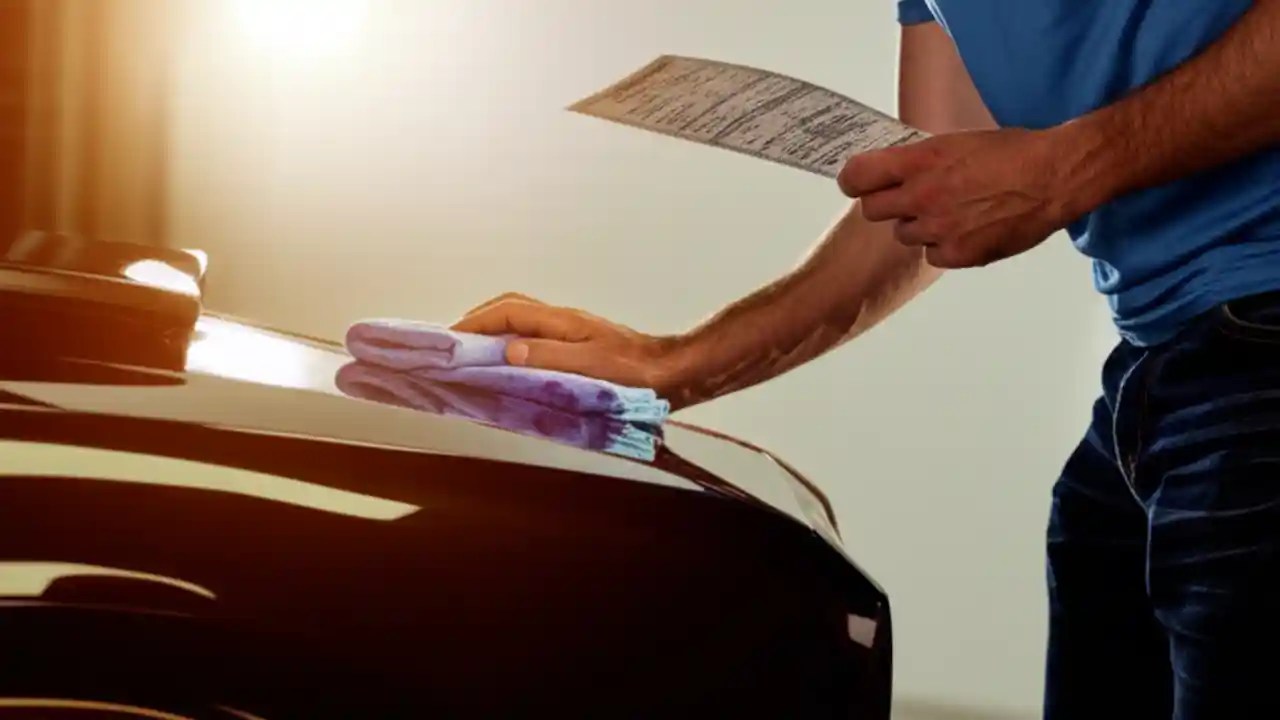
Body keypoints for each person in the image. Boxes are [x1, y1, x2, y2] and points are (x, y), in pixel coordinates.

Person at [453, 2, 1280, 717]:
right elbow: (919, 200)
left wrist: (1061, 170)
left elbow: (1036, 177)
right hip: (1160, 374)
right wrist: (672, 365)